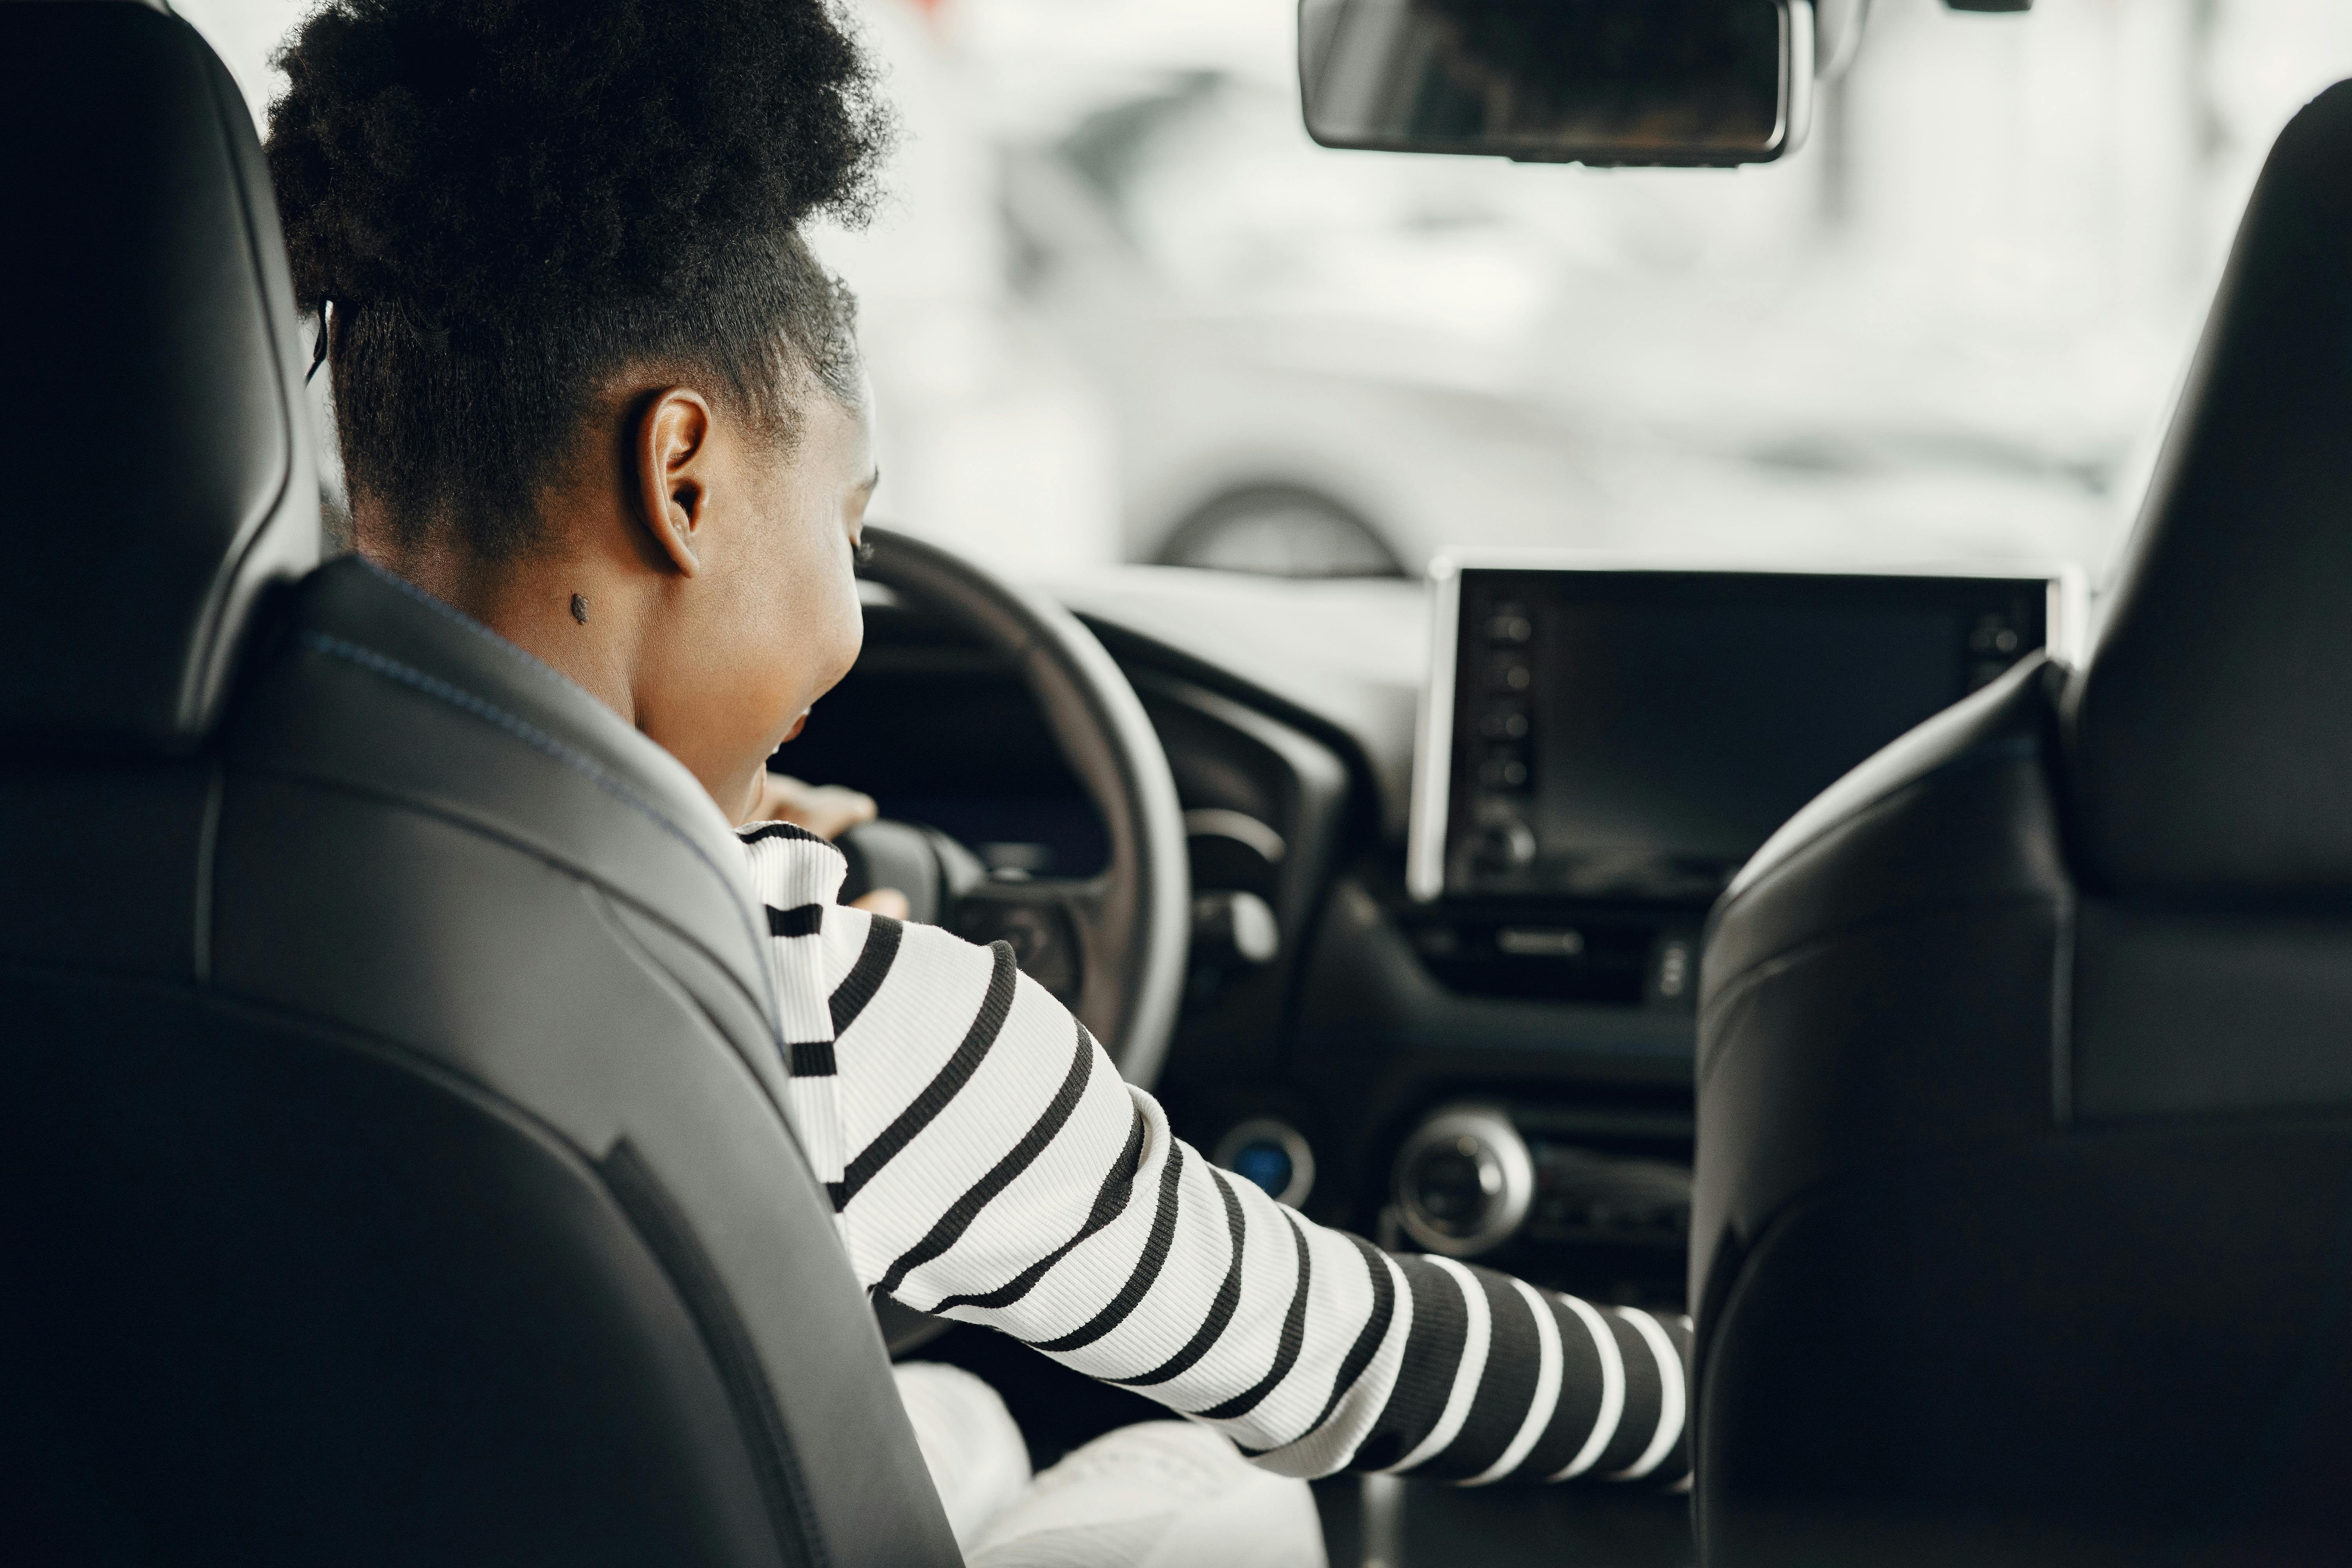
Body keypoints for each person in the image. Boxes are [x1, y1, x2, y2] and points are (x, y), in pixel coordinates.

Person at [264, 2, 1690, 1561]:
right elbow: (1351, 1358)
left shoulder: (150, 859)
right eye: (850, 527)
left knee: (966, 1419)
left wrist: (704, 845)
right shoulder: (821, 1003)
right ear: (682, 477)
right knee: (1229, 1490)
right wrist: (1738, 1377)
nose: (849, 595)